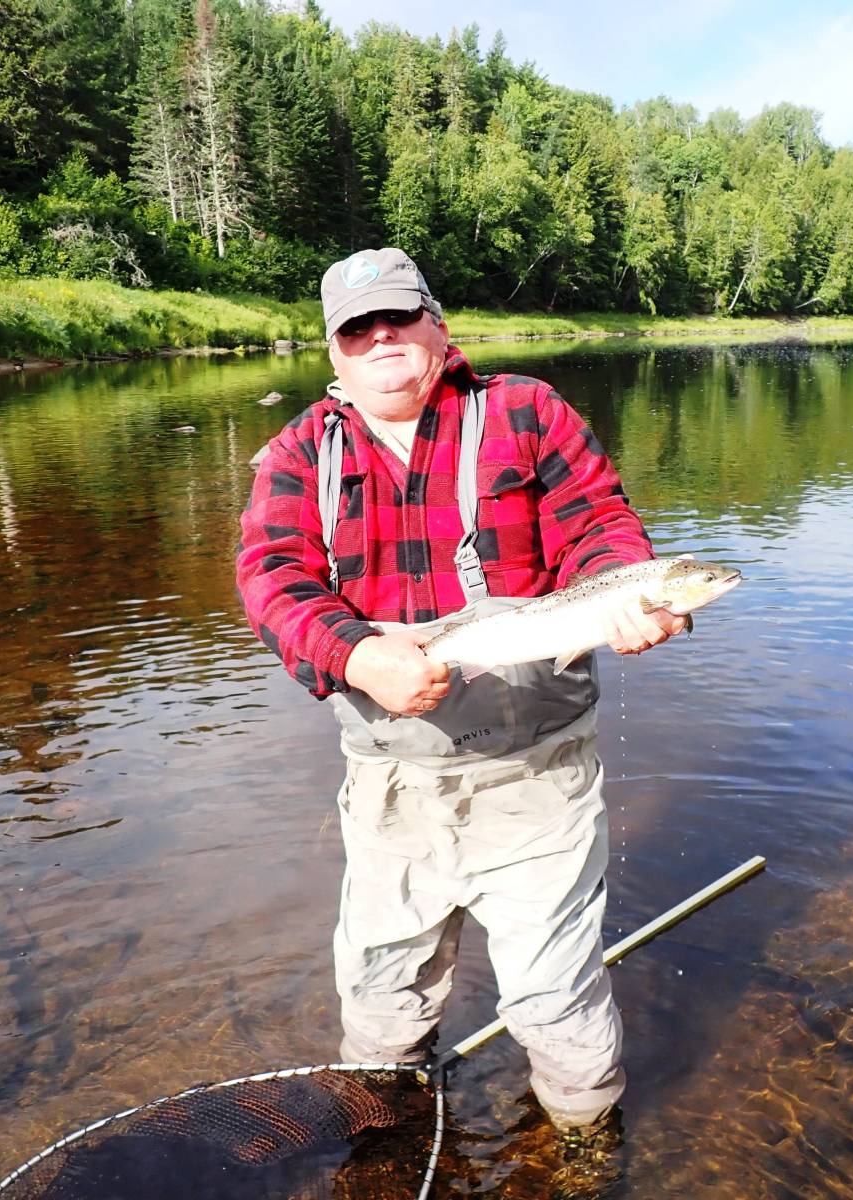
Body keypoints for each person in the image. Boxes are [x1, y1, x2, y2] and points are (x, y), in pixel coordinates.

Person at [235, 247, 685, 1132]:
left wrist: (627, 596)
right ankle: (384, 1140)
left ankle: (583, 1143)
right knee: (380, 997)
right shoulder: (301, 452)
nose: (381, 339)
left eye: (397, 318)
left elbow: (599, 528)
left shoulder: (525, 413)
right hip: (391, 788)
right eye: (357, 329)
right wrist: (361, 659)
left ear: (438, 327)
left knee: (554, 998)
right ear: (334, 353)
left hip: (537, 779)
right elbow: (272, 579)